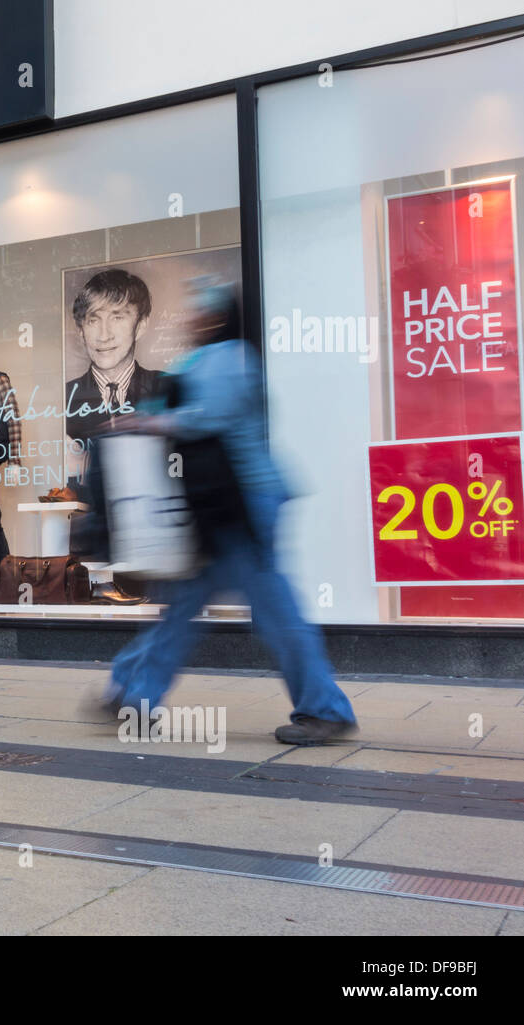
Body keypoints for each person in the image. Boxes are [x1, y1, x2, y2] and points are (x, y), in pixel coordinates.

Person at [95, 278, 357, 745]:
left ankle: (325, 709)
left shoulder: (232, 358)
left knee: (273, 612)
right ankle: (133, 694)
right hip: (219, 507)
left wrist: (152, 421)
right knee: (184, 607)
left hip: (243, 507)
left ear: (217, 316)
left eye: (202, 308)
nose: (193, 315)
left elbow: (205, 415)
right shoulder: (210, 358)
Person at [64, 269, 167, 605]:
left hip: (153, 542)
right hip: (94, 541)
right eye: (93, 319)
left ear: (142, 323)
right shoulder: (63, 398)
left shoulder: (164, 389)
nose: (104, 333)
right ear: (80, 329)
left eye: (118, 317)